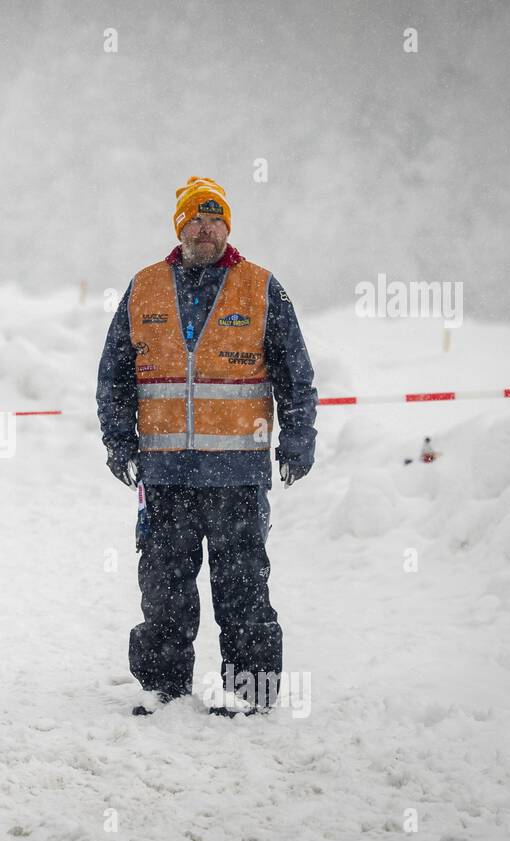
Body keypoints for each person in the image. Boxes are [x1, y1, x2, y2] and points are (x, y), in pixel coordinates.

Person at [96, 176, 318, 717]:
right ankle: (162, 687)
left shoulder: (262, 287)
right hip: (165, 472)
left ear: (228, 227)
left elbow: (295, 373)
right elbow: (115, 375)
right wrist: (119, 439)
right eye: (197, 218)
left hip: (237, 474)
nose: (207, 228)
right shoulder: (145, 286)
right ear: (180, 226)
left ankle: (250, 691)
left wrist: (298, 438)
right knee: (164, 586)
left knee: (242, 588)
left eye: (217, 219)